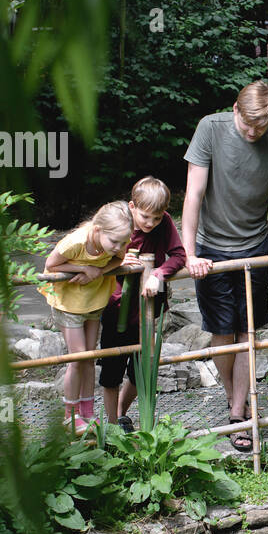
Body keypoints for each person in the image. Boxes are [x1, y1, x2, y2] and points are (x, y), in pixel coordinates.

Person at [182, 81, 268, 453]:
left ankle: (238, 415)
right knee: (222, 335)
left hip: (255, 248)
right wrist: (189, 253)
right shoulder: (210, 128)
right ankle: (235, 400)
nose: (254, 133)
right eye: (247, 125)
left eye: (262, 126)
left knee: (246, 333)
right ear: (235, 110)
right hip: (211, 250)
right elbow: (193, 193)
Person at [97, 176, 187, 432]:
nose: (151, 223)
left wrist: (158, 273)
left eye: (157, 218)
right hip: (116, 309)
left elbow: (179, 255)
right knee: (112, 371)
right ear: (132, 207)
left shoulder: (164, 223)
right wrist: (121, 262)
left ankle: (121, 414)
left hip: (147, 310)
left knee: (142, 371)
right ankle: (113, 427)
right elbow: (100, 257)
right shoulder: (119, 223)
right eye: (146, 217)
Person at [39, 201, 134, 433]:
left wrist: (99, 271)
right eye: (115, 242)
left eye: (123, 242)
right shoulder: (77, 242)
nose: (119, 246)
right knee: (78, 357)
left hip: (93, 302)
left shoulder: (116, 241)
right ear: (98, 230)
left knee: (90, 358)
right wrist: (83, 269)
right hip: (70, 305)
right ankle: (70, 416)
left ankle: (88, 412)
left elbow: (118, 259)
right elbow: (50, 265)